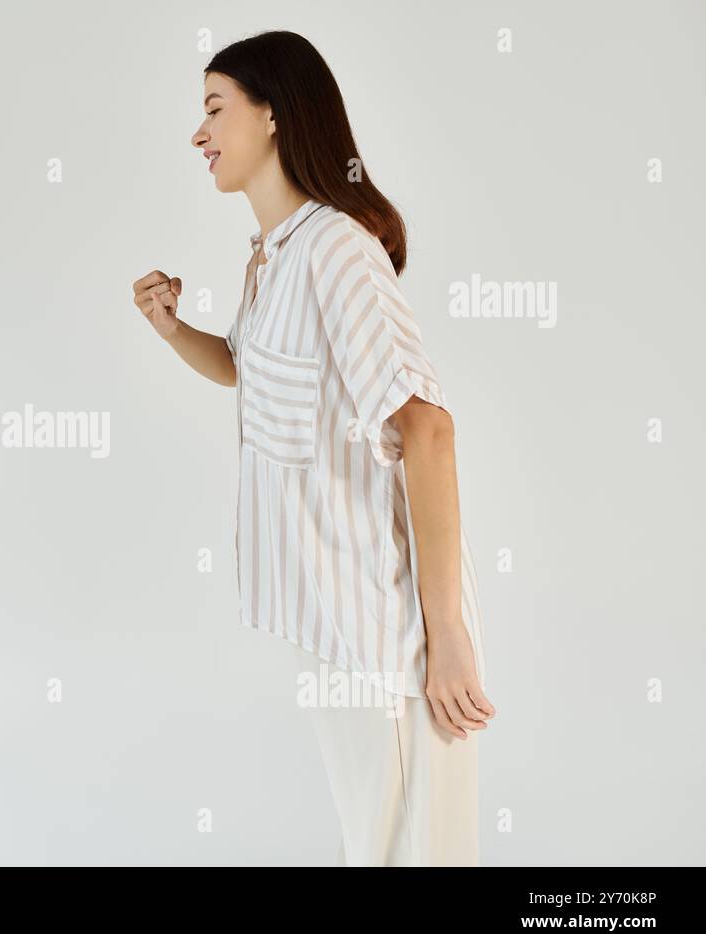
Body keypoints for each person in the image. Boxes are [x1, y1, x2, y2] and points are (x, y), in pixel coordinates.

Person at [130, 30, 496, 866]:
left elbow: (428, 429)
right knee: (373, 847)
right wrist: (172, 328)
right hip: (332, 627)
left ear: (274, 114)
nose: (199, 134)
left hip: (388, 636)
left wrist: (446, 641)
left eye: (215, 108)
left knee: (409, 853)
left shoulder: (336, 250)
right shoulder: (273, 257)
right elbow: (255, 376)